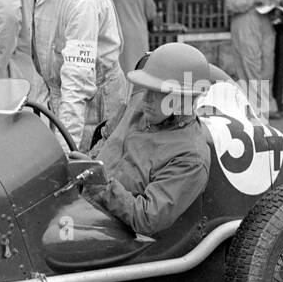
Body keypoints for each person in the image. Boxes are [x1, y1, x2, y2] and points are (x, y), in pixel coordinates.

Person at [0, 0, 126, 148]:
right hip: (65, 100)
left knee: (87, 173)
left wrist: (66, 150)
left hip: (93, 107)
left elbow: (78, 82)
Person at [83, 42, 212, 237]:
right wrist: (82, 163)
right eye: (145, 89)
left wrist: (100, 183)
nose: (145, 100)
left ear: (182, 98)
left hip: (117, 236)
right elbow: (104, 141)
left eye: (157, 93)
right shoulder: (137, 106)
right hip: (80, 207)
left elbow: (147, 218)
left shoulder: (190, 157)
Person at [224, 0, 279, 117]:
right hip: (245, 27)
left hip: (265, 27)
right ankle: (255, 108)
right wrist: (251, 1)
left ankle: (266, 103)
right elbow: (230, 4)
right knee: (250, 66)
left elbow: (272, 3)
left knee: (267, 66)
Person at [104, 0, 156, 78]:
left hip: (117, 36)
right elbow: (151, 14)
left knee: (119, 72)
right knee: (139, 70)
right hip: (138, 37)